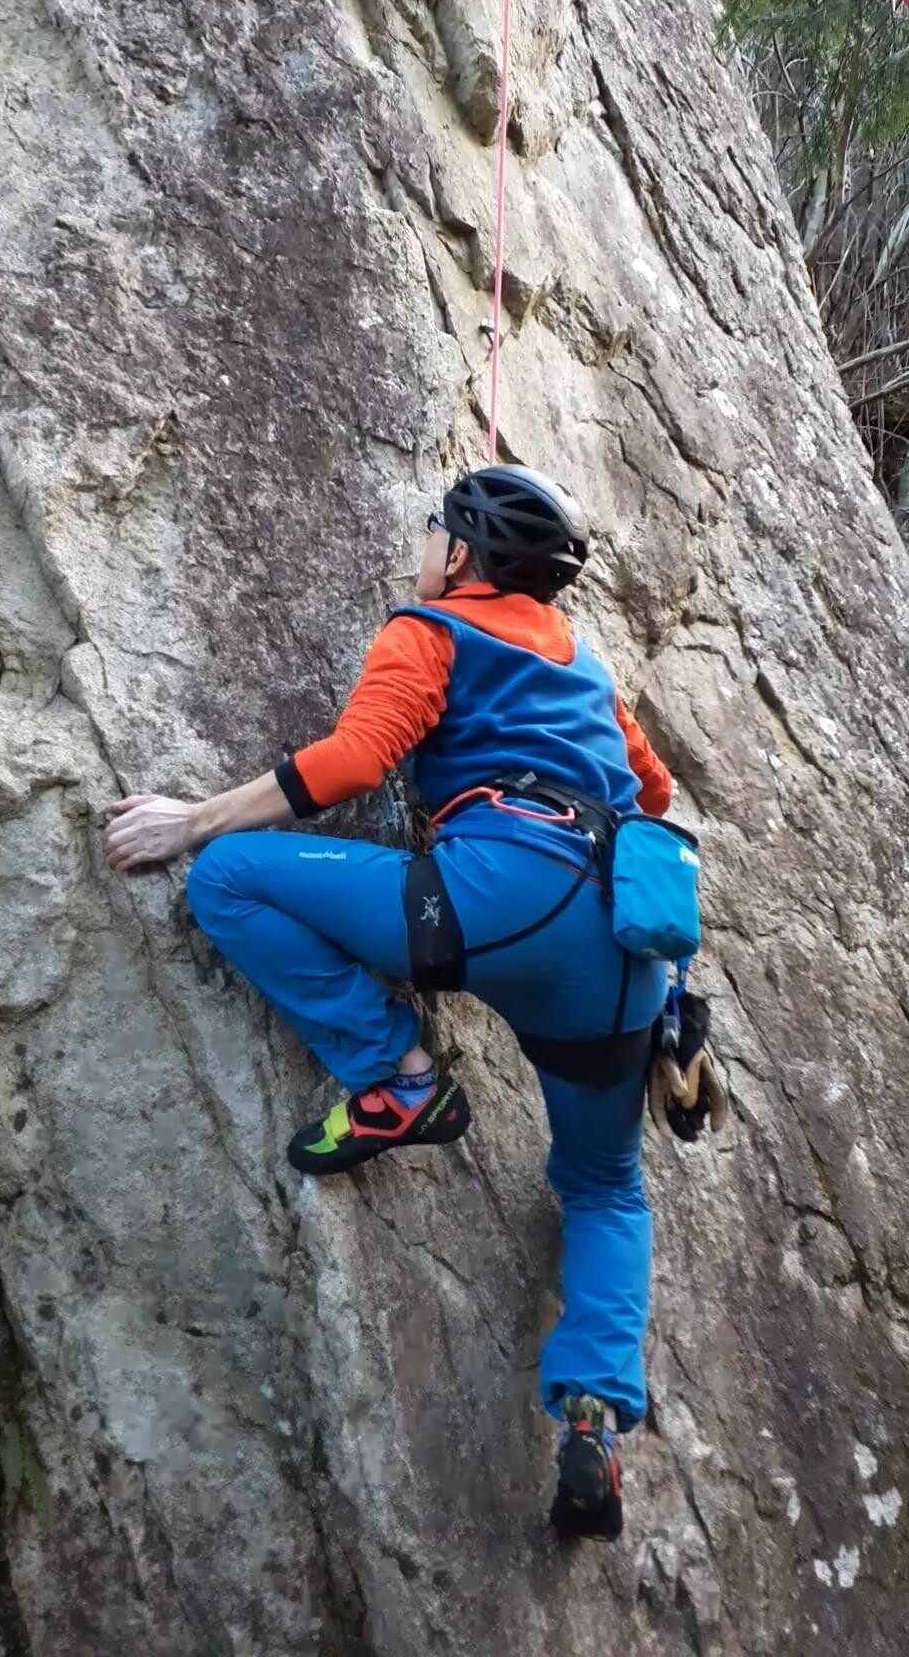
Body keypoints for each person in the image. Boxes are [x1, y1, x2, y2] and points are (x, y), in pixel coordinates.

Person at [105, 465, 676, 1540]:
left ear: (461, 555)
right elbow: (653, 793)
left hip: (500, 903)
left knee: (228, 879)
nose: (421, 546)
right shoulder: (588, 668)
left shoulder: (430, 630)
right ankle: (592, 1419)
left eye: (432, 531)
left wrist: (191, 821)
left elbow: (357, 761)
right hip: (624, 958)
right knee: (606, 1187)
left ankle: (397, 1079)